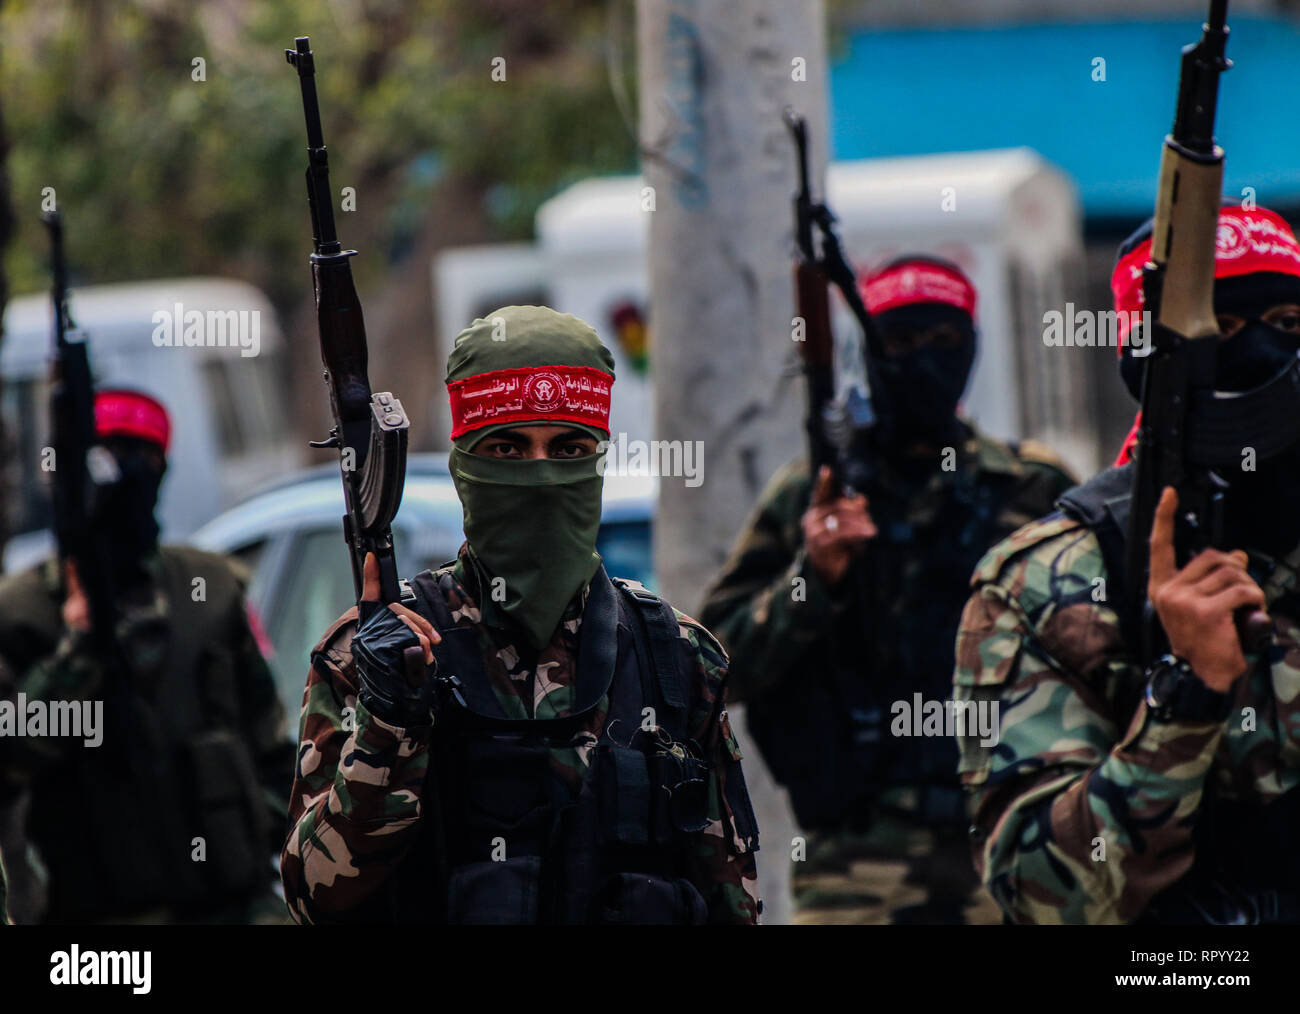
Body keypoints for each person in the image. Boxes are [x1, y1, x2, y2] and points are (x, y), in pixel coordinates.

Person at [280, 304, 760, 925]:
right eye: (506, 448)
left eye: (567, 447)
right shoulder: (371, 656)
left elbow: (734, 902)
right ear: (462, 468)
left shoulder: (675, 656)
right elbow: (312, 900)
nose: (539, 474)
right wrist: (388, 725)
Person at [699, 256, 1076, 924]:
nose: (923, 363)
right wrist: (813, 578)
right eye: (899, 344)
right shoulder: (812, 495)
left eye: (945, 343)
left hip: (1008, 845)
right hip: (855, 863)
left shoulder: (1031, 485)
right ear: (867, 355)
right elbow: (713, 669)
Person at [954, 204, 1300, 924]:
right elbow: (1042, 893)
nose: (1268, 355)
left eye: (1291, 325)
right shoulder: (1049, 583)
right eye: (1227, 330)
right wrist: (1186, 701)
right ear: (1149, 360)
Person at [0, 388, 293, 924]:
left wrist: (248, 840)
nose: (126, 480)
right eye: (106, 459)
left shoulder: (209, 589)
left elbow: (275, 755)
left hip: (227, 908)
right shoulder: (22, 614)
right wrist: (76, 650)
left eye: (143, 457)